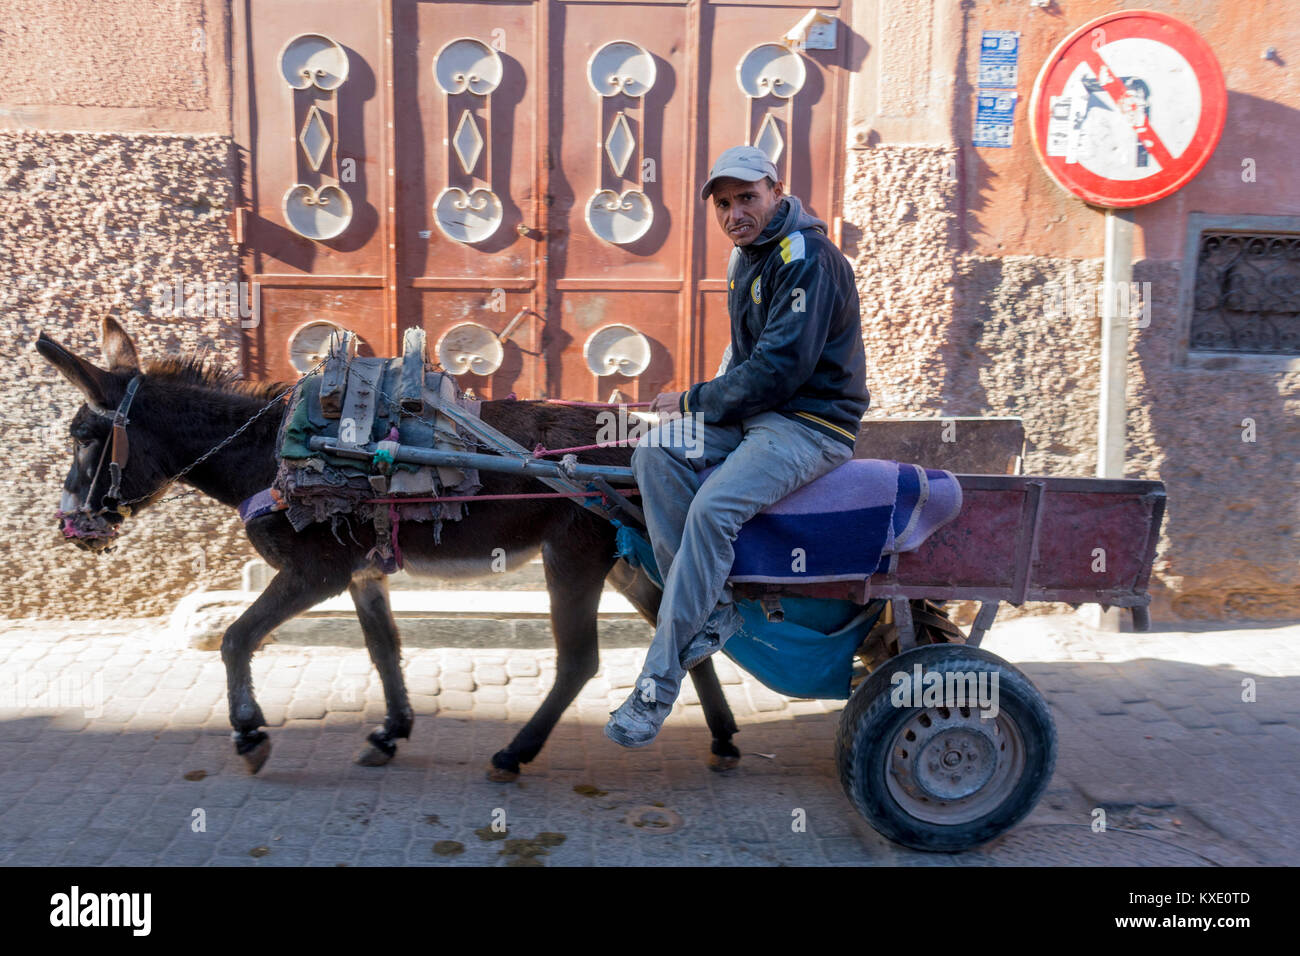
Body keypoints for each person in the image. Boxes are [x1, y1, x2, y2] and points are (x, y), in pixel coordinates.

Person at [605, 145, 870, 748]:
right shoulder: (747, 256)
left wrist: (694, 399)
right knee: (654, 453)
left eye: (746, 197)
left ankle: (657, 685)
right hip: (756, 414)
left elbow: (778, 371)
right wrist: (699, 408)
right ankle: (712, 608)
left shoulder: (807, 257)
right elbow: (745, 358)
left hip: (809, 424)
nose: (733, 213)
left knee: (712, 510)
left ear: (777, 190)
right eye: (723, 204)